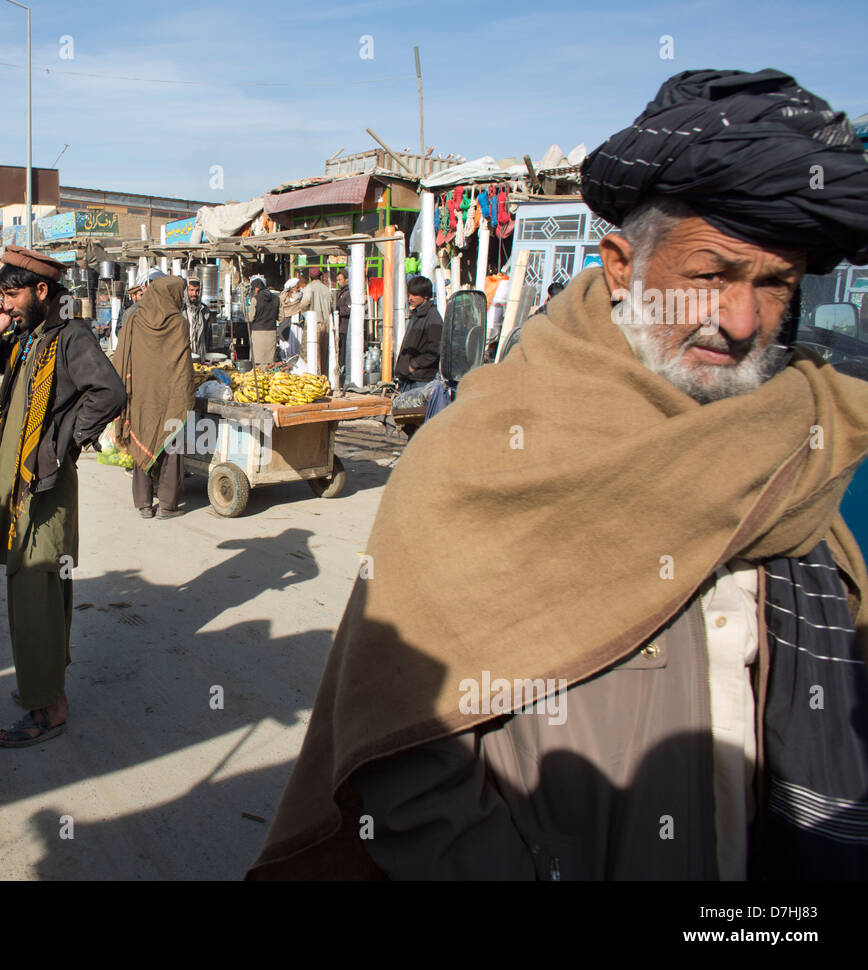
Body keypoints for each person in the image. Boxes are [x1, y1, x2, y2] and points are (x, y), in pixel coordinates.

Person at [249, 67, 868, 881]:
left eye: (776, 285)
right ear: (621, 267)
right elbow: (402, 759)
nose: (741, 320)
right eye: (710, 276)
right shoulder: (477, 455)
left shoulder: (805, 436)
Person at [0, 246, 125, 748]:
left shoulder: (70, 333)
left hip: (42, 483)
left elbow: (109, 392)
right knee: (33, 592)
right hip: (21, 483)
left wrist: (62, 444)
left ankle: (48, 709)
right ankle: (45, 688)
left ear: (42, 292)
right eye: (2, 296)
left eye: (12, 295)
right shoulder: (31, 333)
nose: (6, 305)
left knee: (34, 590)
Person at [113, 274, 192, 520]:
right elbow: (185, 367)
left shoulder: (134, 320)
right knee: (172, 445)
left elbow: (121, 357)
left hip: (140, 396)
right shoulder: (179, 324)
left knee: (141, 441)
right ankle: (167, 505)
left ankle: (144, 504)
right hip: (171, 397)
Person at [392, 275, 442, 391]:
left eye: (414, 295)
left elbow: (434, 350)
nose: (410, 298)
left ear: (425, 296)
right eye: (409, 294)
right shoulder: (417, 314)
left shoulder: (433, 318)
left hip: (420, 380)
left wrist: (413, 365)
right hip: (409, 378)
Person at [248, 277, 279, 366]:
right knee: (270, 362)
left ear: (257, 288)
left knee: (257, 362)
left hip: (258, 333)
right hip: (271, 332)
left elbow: (250, 318)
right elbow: (281, 316)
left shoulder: (255, 299)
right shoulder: (276, 298)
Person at [183, 275, 214, 359]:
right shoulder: (181, 310)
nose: (194, 294)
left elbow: (208, 335)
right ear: (186, 291)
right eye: (191, 290)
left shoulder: (204, 310)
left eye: (197, 291)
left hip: (200, 353)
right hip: (185, 354)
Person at [335, 269, 351, 376]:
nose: (338, 282)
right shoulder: (340, 293)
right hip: (339, 327)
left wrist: (338, 310)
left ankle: (343, 369)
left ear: (347, 280)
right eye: (337, 280)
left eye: (340, 279)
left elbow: (349, 309)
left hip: (345, 327)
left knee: (344, 352)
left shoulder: (348, 294)